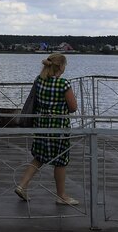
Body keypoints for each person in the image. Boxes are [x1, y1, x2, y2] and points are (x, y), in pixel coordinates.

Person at [15, 52, 79, 206]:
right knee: (61, 161)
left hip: (41, 125)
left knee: (39, 157)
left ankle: (22, 185)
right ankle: (61, 195)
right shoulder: (63, 84)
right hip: (58, 127)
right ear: (61, 67)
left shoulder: (39, 81)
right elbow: (73, 107)